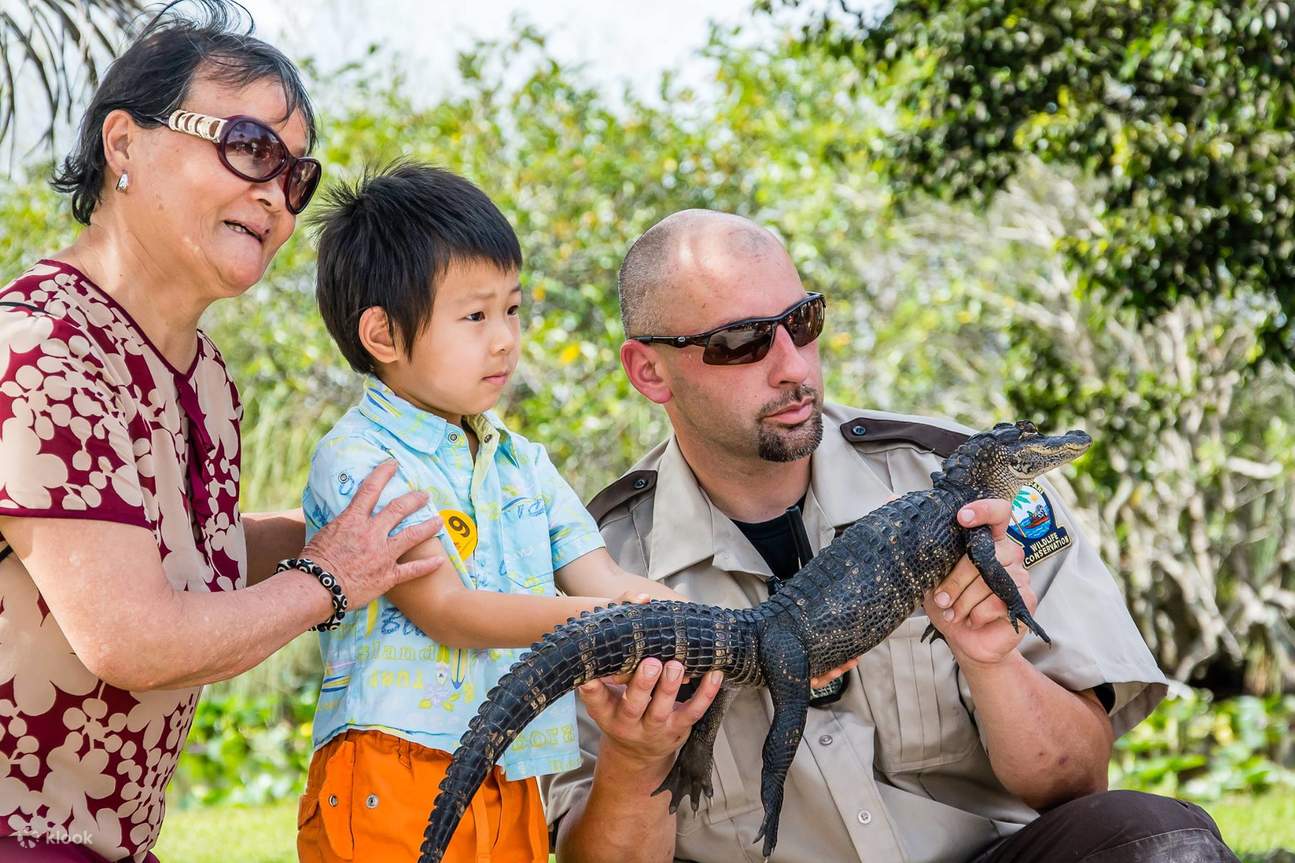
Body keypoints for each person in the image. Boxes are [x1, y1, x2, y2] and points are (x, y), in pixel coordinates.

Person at [543, 209, 1239, 862]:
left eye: (802, 321)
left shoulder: (971, 485)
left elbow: (1077, 779)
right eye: (741, 341)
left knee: (1159, 837)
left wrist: (993, 659)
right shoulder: (586, 566)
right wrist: (635, 759)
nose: (792, 366)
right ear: (647, 370)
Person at [0, 5, 446, 861]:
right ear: (123, 144)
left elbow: (160, 549)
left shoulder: (202, 374)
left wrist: (353, 533)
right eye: (249, 147)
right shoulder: (39, 348)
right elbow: (132, 637)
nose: (276, 196)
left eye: (296, 175)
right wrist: (331, 575)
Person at [298, 166, 828, 863]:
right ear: (383, 335)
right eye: (475, 315)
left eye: (512, 309)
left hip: (515, 767)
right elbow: (449, 610)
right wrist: (619, 629)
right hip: (393, 764)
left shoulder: (522, 461)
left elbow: (601, 576)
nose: (504, 339)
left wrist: (724, 633)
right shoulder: (361, 460)